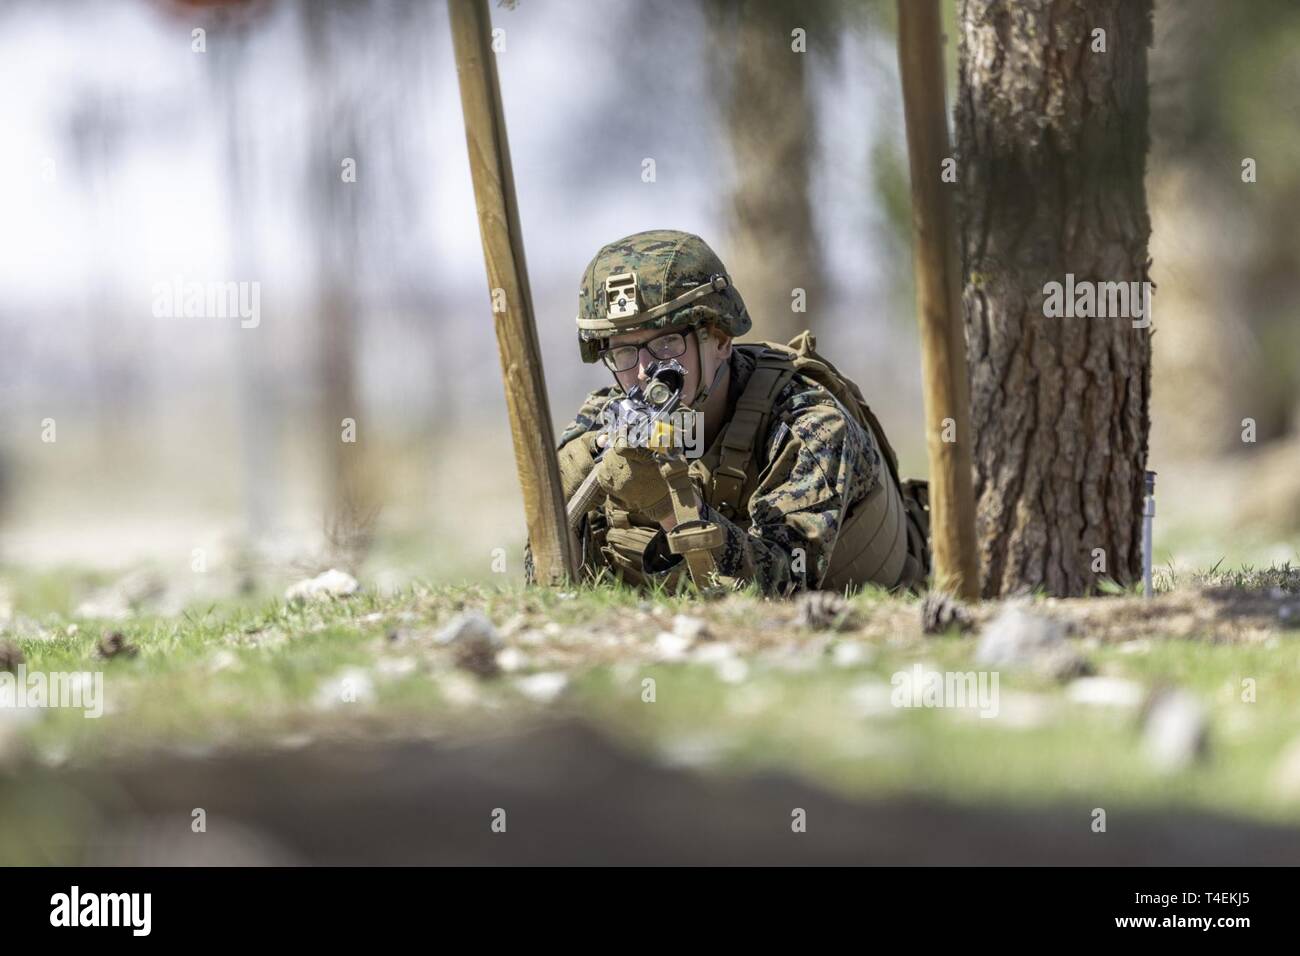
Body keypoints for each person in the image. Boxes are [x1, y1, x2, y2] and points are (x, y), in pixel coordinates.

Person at [533, 229, 929, 596]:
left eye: (666, 344)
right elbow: (545, 586)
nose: (642, 372)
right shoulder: (605, 417)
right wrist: (563, 500)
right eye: (623, 351)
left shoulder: (807, 424)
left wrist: (671, 511)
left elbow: (786, 591)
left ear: (720, 339)